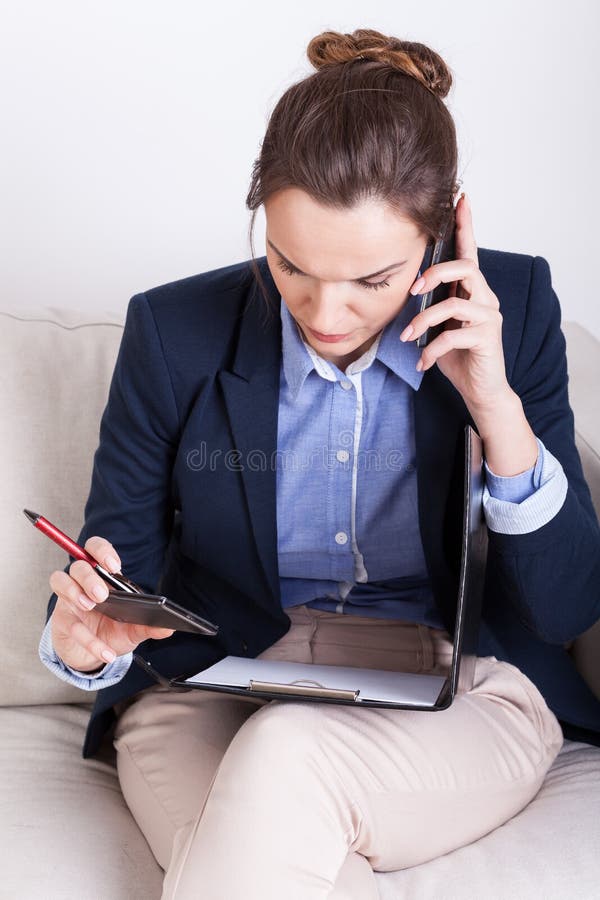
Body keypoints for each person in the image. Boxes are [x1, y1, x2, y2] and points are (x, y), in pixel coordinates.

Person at [39, 27, 600, 900]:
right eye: (290, 265)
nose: (325, 314)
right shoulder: (172, 333)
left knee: (285, 759)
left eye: (372, 280)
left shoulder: (514, 309)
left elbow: (565, 605)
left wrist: (496, 407)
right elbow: (119, 570)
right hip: (215, 687)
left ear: (443, 232)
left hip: (464, 691)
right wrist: (84, 642)